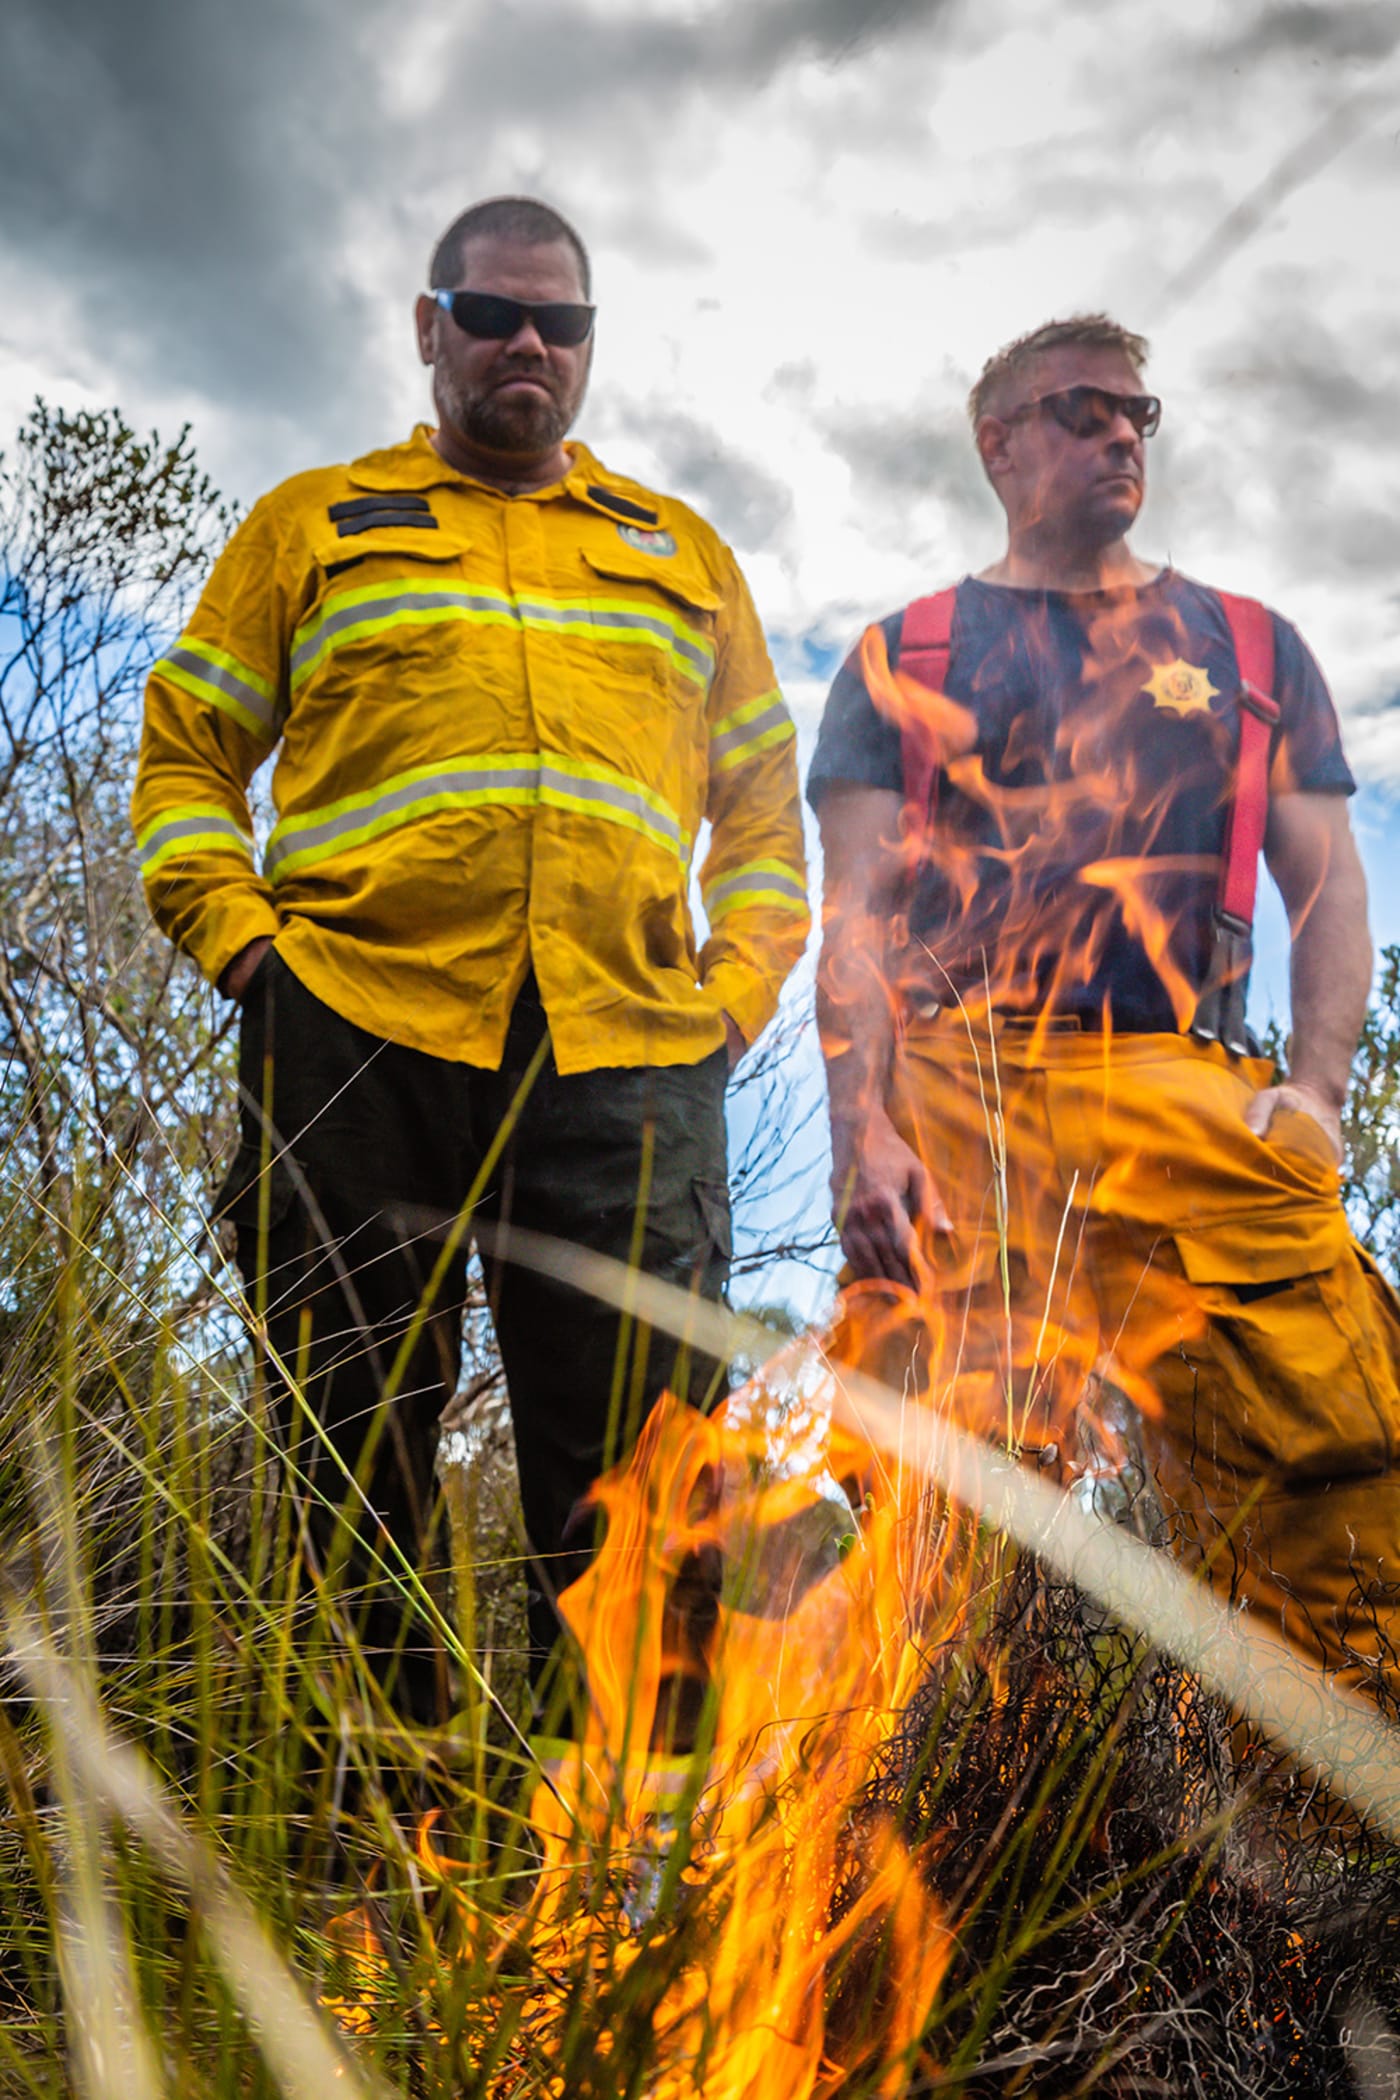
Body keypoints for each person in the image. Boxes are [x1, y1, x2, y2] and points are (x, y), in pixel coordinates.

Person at [132, 196, 809, 1733]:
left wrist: (730, 1003)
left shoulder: (681, 552)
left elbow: (764, 812)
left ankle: (609, 1847)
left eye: (558, 323)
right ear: (427, 327)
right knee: (349, 1435)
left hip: (630, 1056)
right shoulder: (315, 523)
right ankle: (402, 1809)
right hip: (355, 1034)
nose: (526, 344)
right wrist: (248, 956)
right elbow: (184, 755)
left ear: (587, 349)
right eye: (491, 312)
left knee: (642, 1469)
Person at [808, 313, 1400, 1705]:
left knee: (1338, 1460)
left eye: (1141, 413)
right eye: (1082, 410)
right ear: (997, 443)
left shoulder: (1252, 649)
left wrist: (1312, 1097)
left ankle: (1327, 1865)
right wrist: (861, 1131)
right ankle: (929, 1853)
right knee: (942, 1508)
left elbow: (1331, 894)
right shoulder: (910, 656)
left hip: (1189, 1094)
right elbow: (857, 920)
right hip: (960, 1094)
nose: (1121, 433)